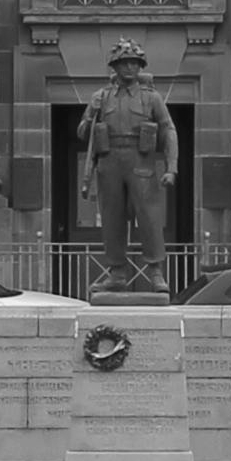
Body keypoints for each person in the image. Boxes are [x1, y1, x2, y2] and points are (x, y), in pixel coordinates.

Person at [77, 41, 180, 289]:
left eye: (135, 63)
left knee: (149, 216)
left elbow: (168, 129)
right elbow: (82, 133)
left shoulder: (151, 98)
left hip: (140, 159)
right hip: (109, 160)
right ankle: (117, 273)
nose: (130, 67)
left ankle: (155, 271)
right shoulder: (100, 98)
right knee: (112, 217)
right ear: (115, 67)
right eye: (125, 63)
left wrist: (171, 167)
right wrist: (91, 115)